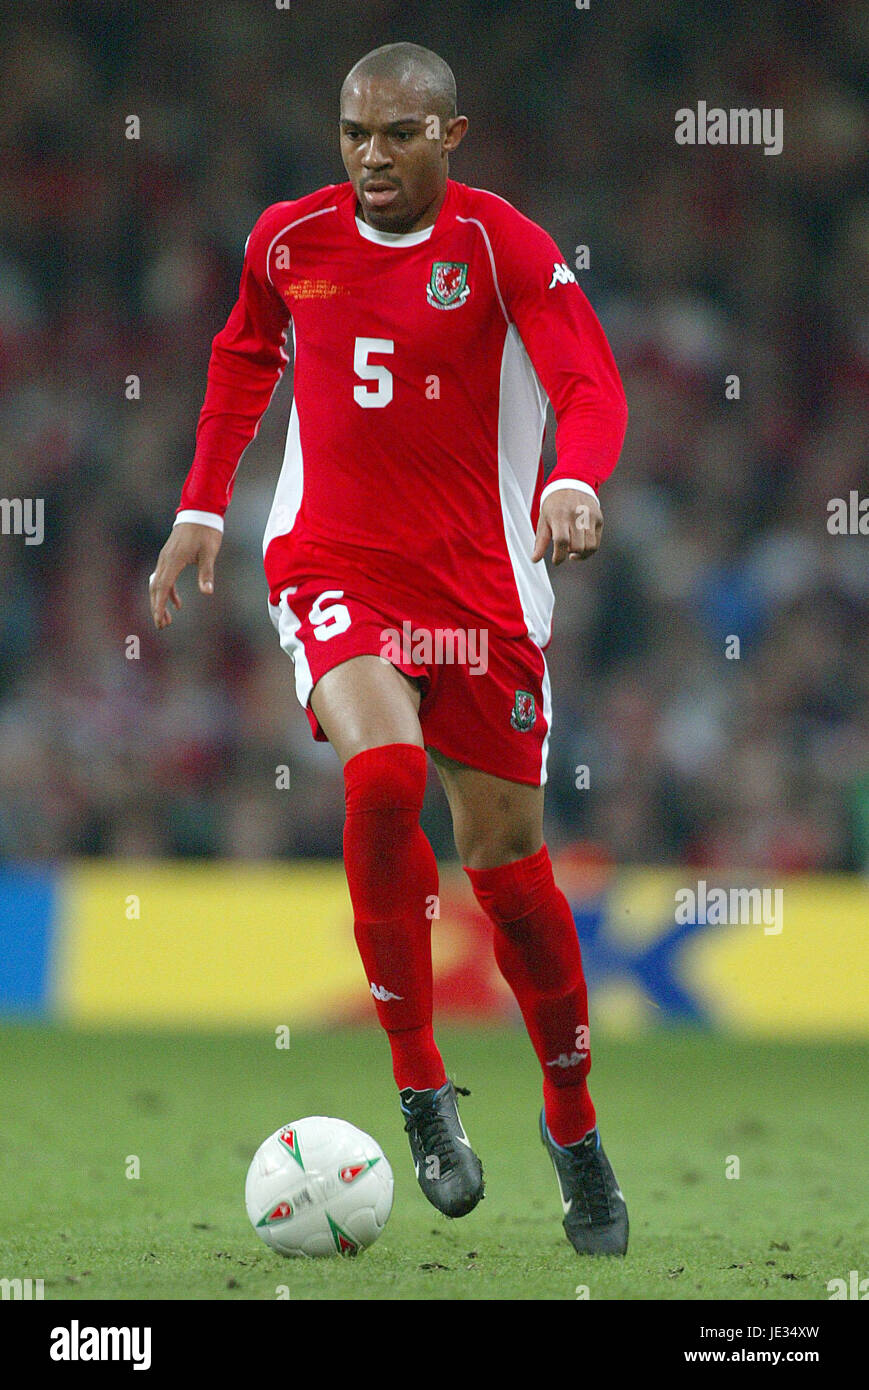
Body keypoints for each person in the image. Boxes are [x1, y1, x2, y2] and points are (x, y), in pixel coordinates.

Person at [150, 42, 629, 1255]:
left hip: (480, 587)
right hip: (334, 563)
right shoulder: (288, 240)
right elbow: (243, 355)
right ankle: (420, 1084)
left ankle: (571, 1122)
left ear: (449, 138)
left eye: (398, 134)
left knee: (507, 871)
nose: (371, 155)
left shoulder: (501, 246)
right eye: (354, 133)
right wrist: (202, 505)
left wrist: (574, 479)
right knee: (382, 773)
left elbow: (588, 382)